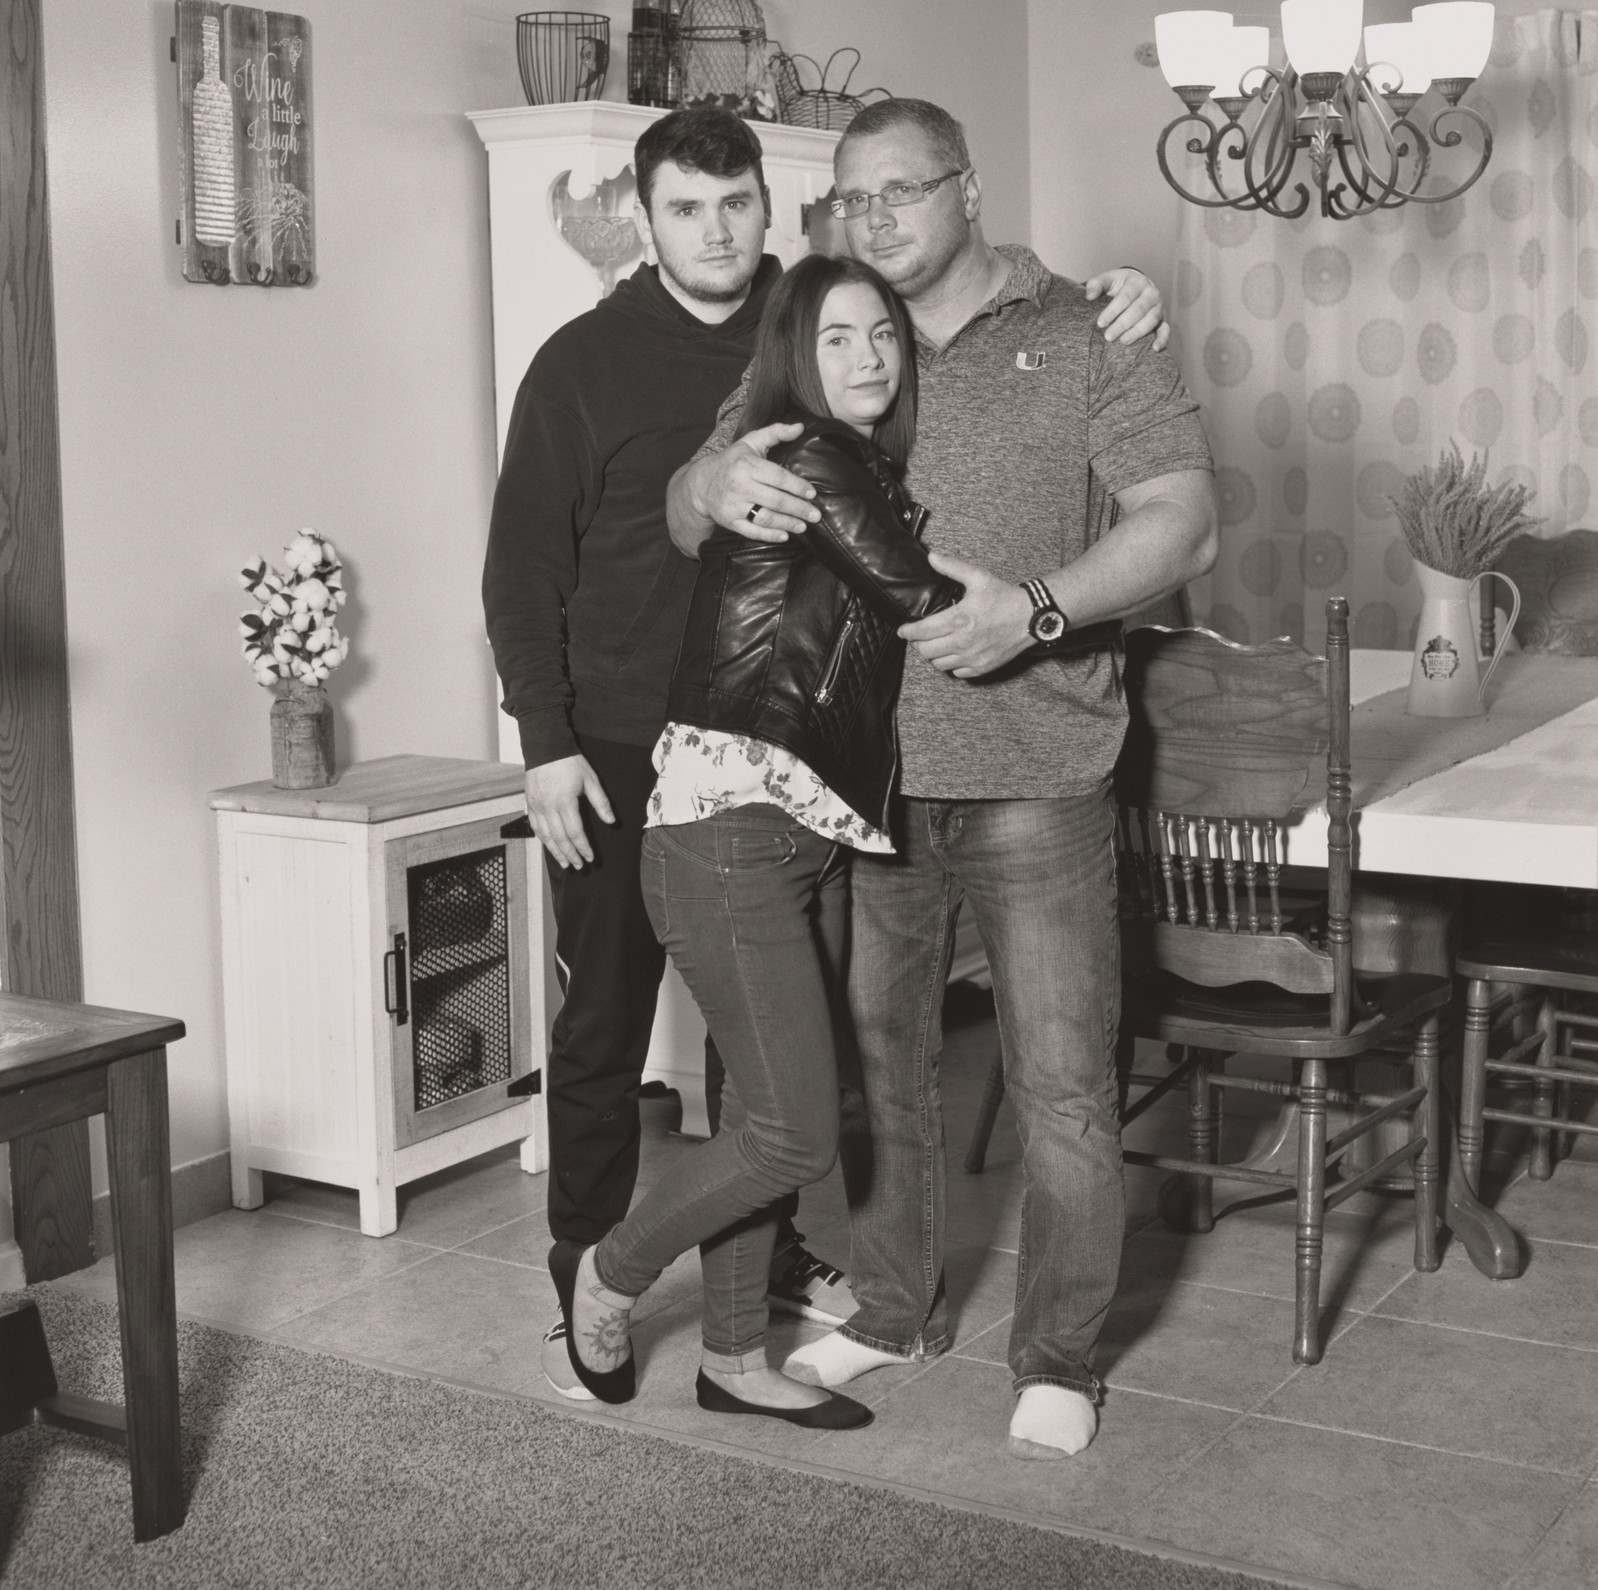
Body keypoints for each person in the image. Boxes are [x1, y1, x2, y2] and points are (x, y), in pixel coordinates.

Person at [484, 103, 1167, 1404]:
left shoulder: (848, 350)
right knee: (706, 1079)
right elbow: (557, 556)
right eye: (685, 207)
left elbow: (989, 333)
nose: (716, 230)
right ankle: (600, 1272)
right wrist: (548, 733)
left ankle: (739, 1348)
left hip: (813, 799)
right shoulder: (680, 400)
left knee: (773, 1087)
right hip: (696, 781)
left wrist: (1104, 301)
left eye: (736, 203)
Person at [668, 97, 1218, 1461]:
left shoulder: (1088, 329)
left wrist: (1030, 610)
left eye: (900, 194)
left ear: (967, 190)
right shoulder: (825, 330)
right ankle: (900, 1305)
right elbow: (692, 498)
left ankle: (1061, 1356)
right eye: (851, 202)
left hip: (1040, 766)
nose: (874, 223)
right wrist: (708, 483)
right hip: (859, 785)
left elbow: (1180, 518)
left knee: (1059, 1083)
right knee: (877, 1066)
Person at [553, 250, 963, 1428]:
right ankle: (609, 1271)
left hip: (778, 836)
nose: (867, 356)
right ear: (794, 355)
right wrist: (1068, 606)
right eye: (836, 337)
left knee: (758, 1118)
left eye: (881, 333)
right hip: (729, 834)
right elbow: (924, 606)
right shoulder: (811, 456)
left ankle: (733, 1357)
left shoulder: (849, 463)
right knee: (791, 1124)